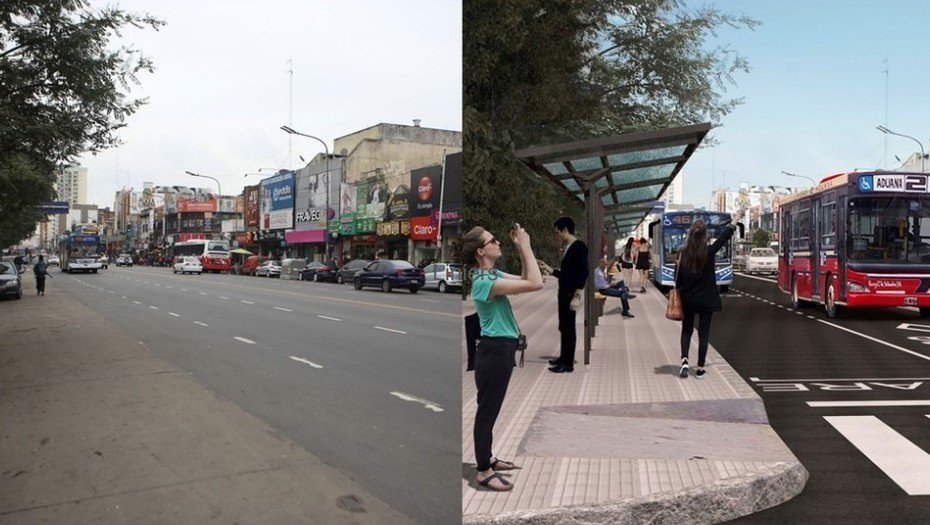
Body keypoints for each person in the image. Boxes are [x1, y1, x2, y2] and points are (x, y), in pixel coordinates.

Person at [464, 223, 543, 491]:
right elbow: (536, 283)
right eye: (493, 240)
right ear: (480, 251)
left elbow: (524, 280)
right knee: (487, 411)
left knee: (491, 410)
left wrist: (522, 249)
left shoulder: (492, 274)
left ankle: (488, 458)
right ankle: (483, 470)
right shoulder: (483, 282)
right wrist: (525, 245)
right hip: (494, 352)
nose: (498, 243)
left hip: (500, 350)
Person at [675, 219, 737, 379]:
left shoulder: (682, 253)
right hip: (706, 300)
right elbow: (722, 239)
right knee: (703, 334)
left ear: (689, 234)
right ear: (704, 236)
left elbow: (678, 280)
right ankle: (701, 368)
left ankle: (684, 361)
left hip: (688, 299)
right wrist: (732, 225)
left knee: (686, 331)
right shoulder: (709, 252)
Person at [549, 217, 588, 373]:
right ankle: (563, 357)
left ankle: (568, 363)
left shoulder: (579, 247)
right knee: (564, 326)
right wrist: (550, 270)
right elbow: (567, 274)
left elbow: (583, 272)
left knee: (569, 328)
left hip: (570, 293)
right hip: (564, 292)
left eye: (557, 232)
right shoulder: (568, 247)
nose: (557, 235)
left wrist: (577, 296)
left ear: (565, 230)